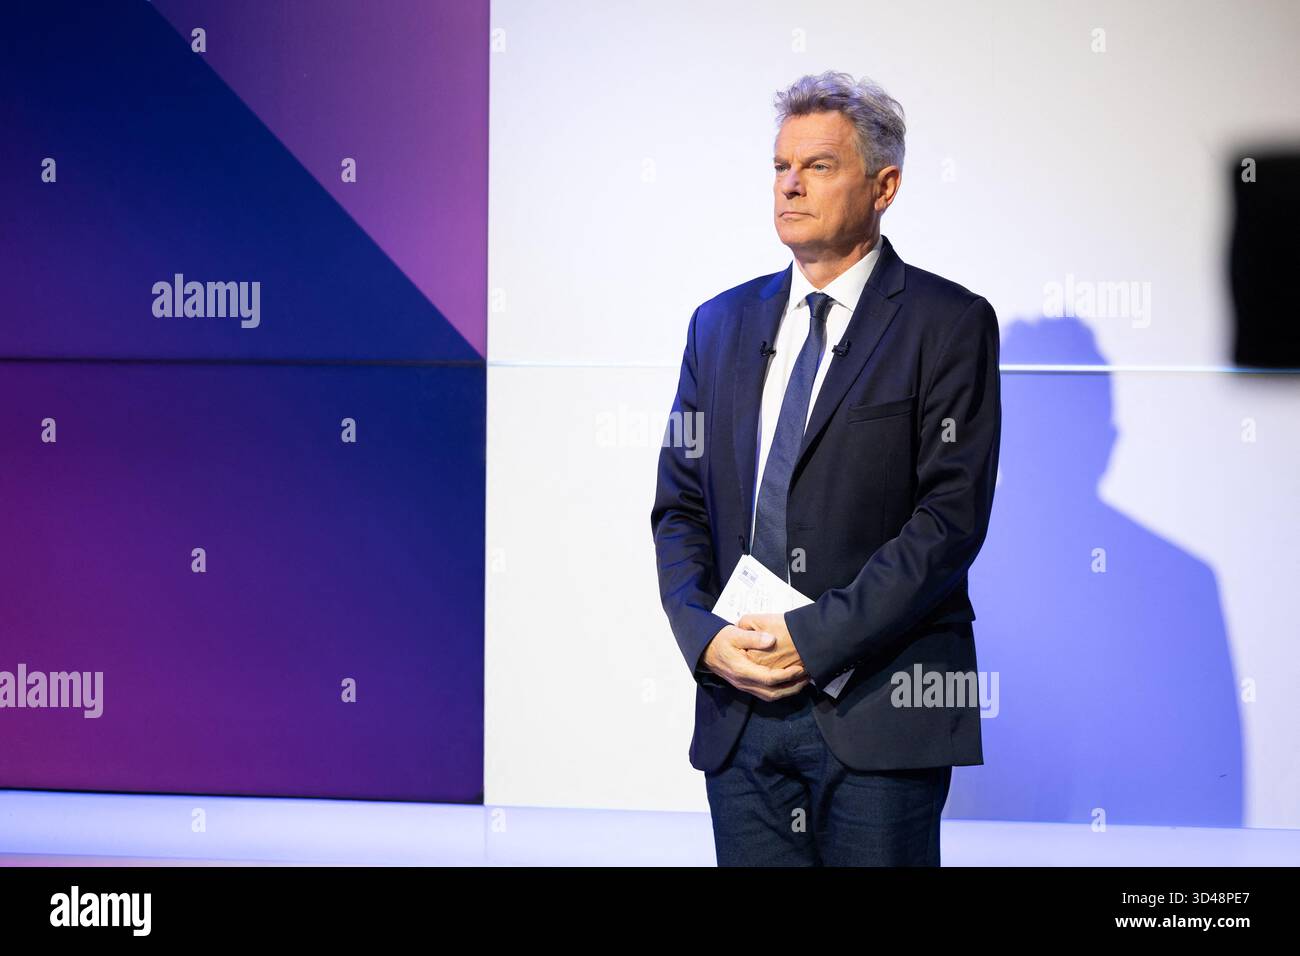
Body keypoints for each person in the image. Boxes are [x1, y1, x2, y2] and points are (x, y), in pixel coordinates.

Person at [650, 70, 1002, 866]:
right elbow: (679, 507)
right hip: (739, 711)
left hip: (880, 709)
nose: (791, 185)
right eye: (780, 166)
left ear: (885, 186)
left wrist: (813, 640)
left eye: (818, 166)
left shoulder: (949, 324)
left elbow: (947, 525)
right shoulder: (718, 325)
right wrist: (701, 636)